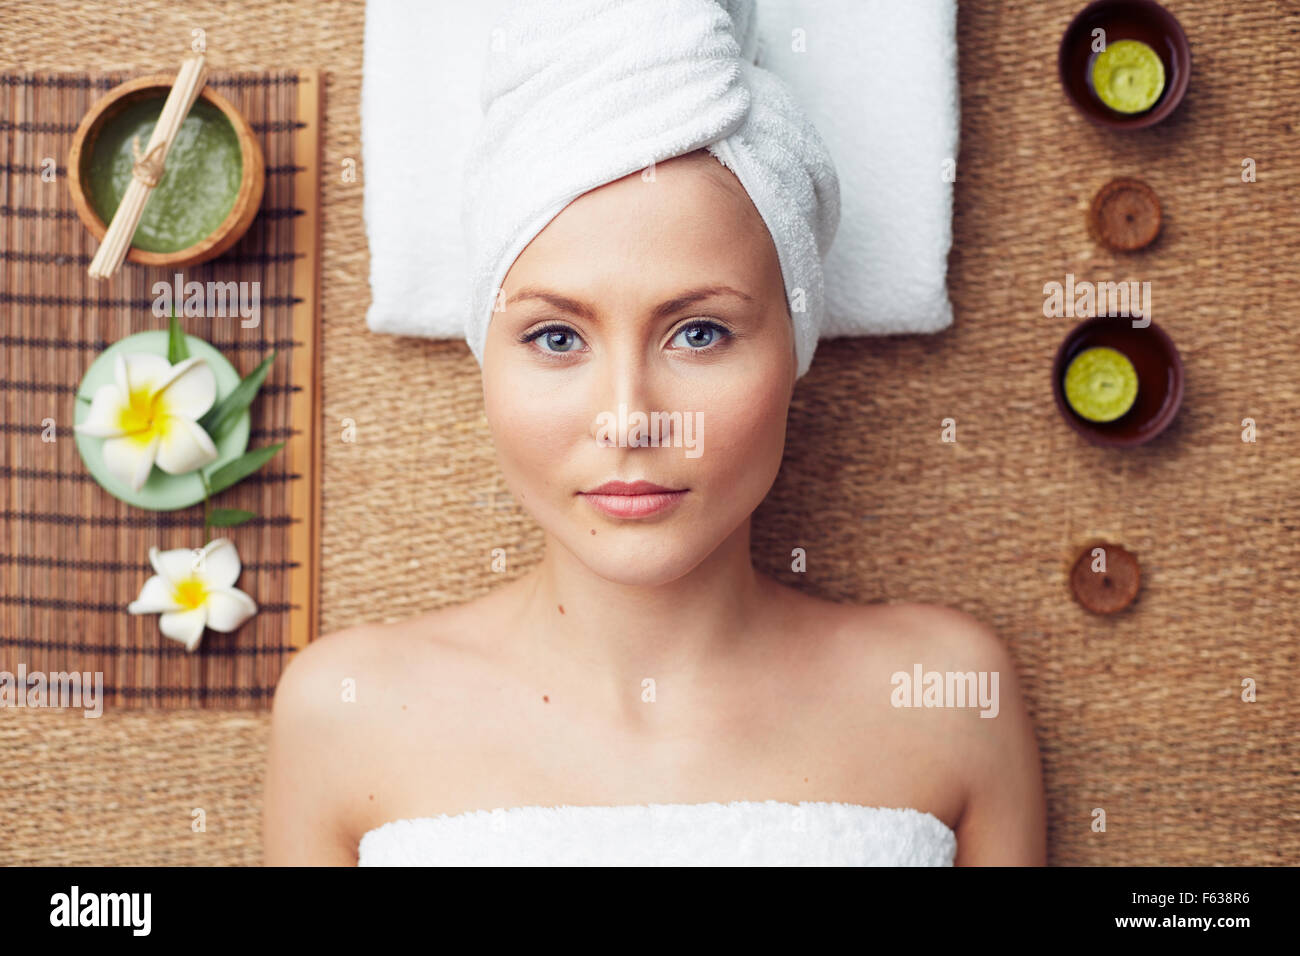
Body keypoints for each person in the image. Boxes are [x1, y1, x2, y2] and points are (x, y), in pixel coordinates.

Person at [262, 147, 1046, 866]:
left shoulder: (947, 692)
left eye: (699, 333)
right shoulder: (344, 710)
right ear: (486, 364)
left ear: (797, 350)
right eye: (557, 338)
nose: (629, 419)